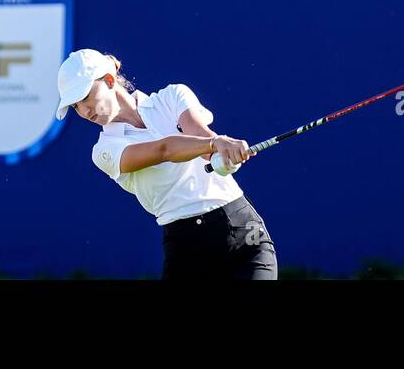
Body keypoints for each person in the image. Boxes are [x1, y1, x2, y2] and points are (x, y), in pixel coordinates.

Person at [55, 47, 276, 280]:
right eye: (75, 106)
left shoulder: (172, 96)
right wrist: (215, 144)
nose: (84, 110)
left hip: (245, 232)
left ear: (109, 81)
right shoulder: (103, 151)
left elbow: (203, 139)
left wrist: (226, 156)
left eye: (85, 97)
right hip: (186, 250)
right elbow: (164, 150)